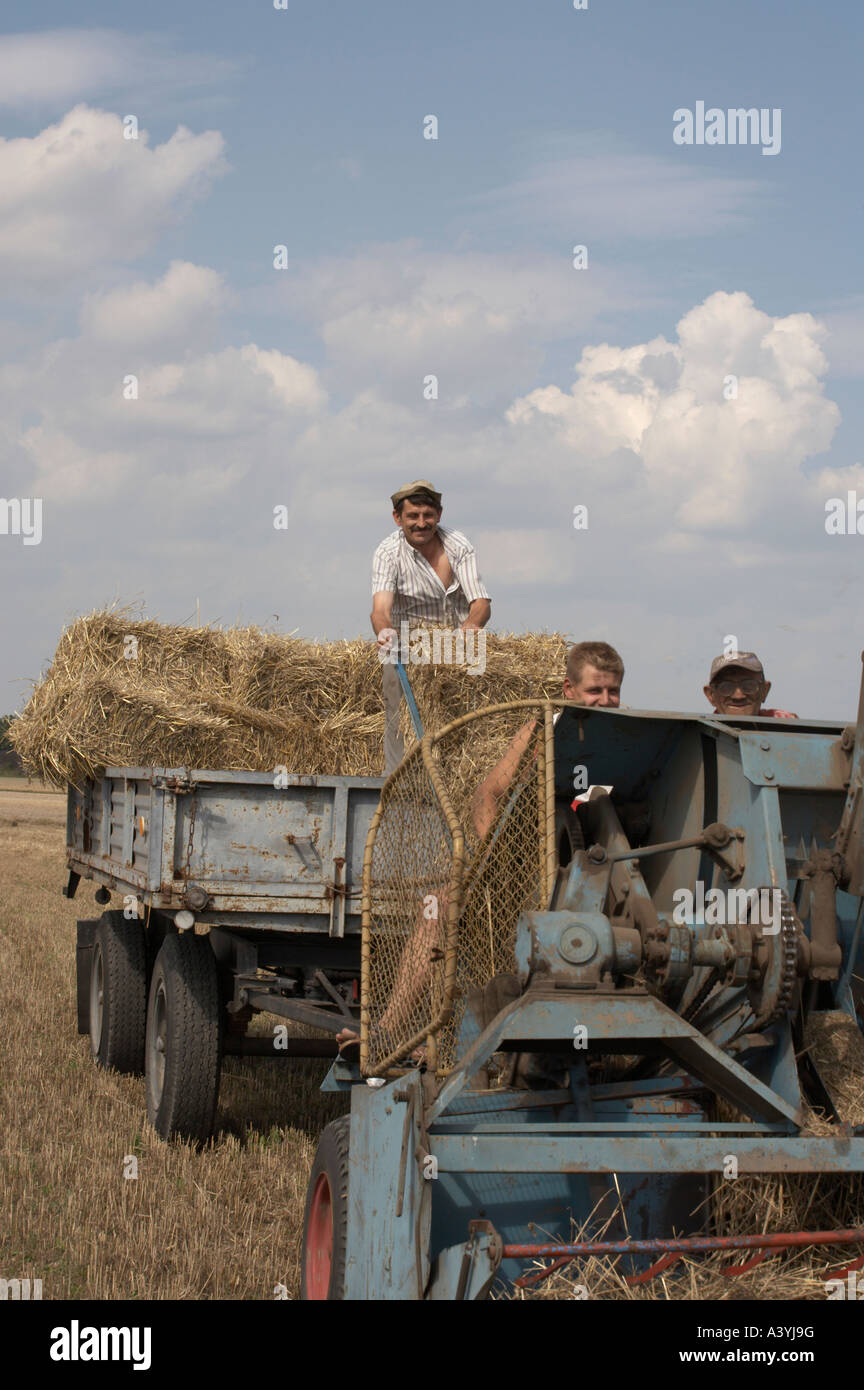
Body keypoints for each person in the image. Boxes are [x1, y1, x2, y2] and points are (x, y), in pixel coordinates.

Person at [371, 480, 491, 774]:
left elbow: (481, 602)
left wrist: (472, 625)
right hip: (410, 647)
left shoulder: (458, 545)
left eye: (428, 515)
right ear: (398, 518)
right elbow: (380, 611)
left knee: (477, 710)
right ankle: (396, 777)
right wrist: (386, 632)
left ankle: (469, 771)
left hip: (456, 643)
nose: (421, 523)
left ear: (439, 513)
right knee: (395, 706)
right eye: (413, 516)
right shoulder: (387, 553)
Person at [471, 640, 625, 839]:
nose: (605, 701)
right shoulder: (540, 734)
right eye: (594, 691)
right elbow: (485, 796)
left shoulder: (628, 740)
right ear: (569, 689)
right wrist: (493, 857)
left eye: (613, 691)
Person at [703, 652, 797, 719]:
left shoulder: (786, 725)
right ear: (711, 695)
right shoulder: (698, 735)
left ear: (764, 691)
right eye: (726, 687)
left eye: (749, 686)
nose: (738, 696)